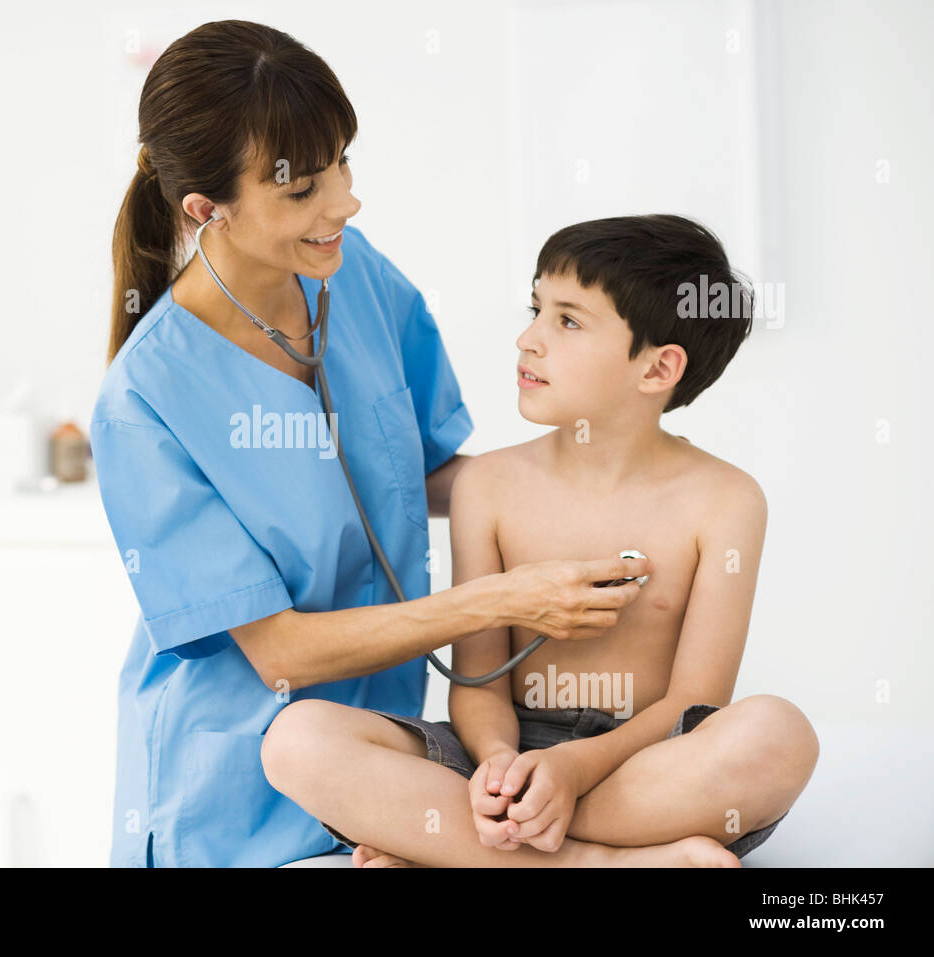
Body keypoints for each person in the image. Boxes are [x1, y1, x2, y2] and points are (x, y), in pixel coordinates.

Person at [91, 20, 651, 868]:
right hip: (237, 798)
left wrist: (607, 488)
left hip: (385, 759)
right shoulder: (144, 401)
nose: (344, 202)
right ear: (207, 211)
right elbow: (278, 648)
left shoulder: (354, 274)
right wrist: (504, 597)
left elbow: (428, 473)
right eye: (303, 187)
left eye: (344, 163)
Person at [262, 215, 820, 867]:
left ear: (658, 367)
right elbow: (478, 684)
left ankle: (459, 849)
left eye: (568, 321)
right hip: (500, 750)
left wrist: (572, 769)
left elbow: (693, 702)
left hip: (637, 762)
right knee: (296, 739)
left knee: (779, 736)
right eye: (536, 309)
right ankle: (598, 860)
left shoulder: (725, 499)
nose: (528, 339)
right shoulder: (490, 484)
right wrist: (501, 767)